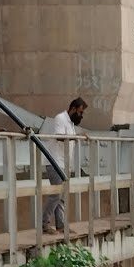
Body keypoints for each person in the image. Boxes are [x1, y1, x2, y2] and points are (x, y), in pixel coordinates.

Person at [41, 97, 87, 234]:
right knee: (56, 194)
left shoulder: (71, 123)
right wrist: (77, 137)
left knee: (61, 195)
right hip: (54, 162)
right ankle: (45, 224)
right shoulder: (60, 118)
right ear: (73, 109)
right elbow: (59, 136)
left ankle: (61, 225)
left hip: (64, 163)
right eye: (79, 112)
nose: (81, 115)